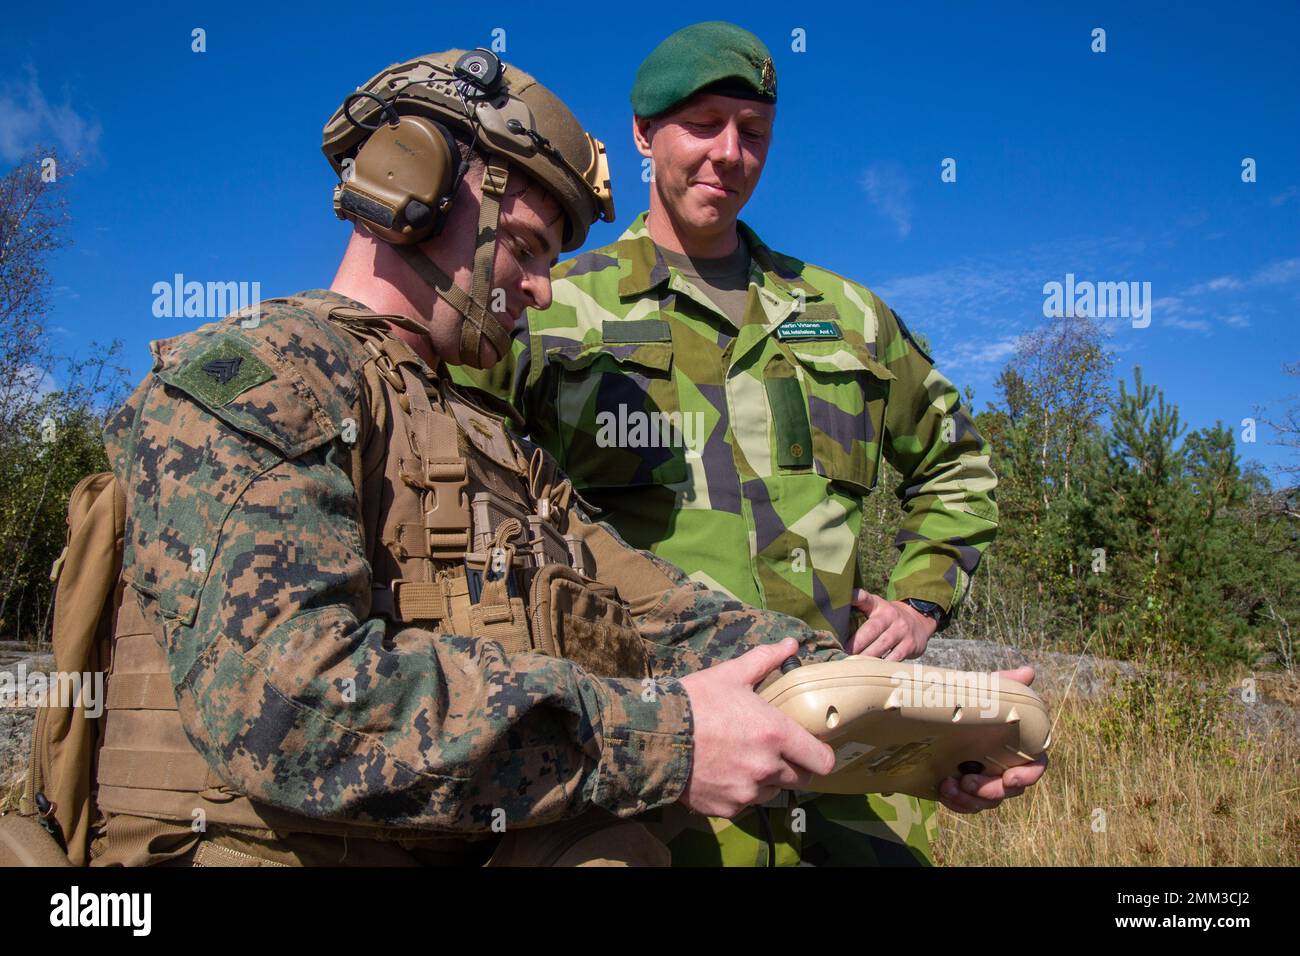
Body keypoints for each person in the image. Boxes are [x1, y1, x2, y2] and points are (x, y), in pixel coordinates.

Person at [89, 48, 852, 867]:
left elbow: (667, 617)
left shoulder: (494, 442)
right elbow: (289, 704)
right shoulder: (260, 374)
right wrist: (670, 740)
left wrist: (883, 700)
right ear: (407, 186)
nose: (542, 290)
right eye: (525, 248)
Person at [453, 23, 1046, 866]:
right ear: (642, 133)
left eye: (754, 132)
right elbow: (454, 491)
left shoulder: (849, 316)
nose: (729, 154)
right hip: (645, 783)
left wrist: (920, 601)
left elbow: (958, 464)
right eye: (703, 124)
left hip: (840, 776)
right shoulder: (547, 308)